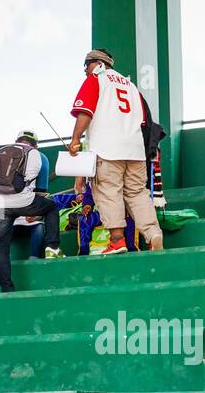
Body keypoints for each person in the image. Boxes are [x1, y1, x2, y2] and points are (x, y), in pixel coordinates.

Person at [67, 48, 164, 254]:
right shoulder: (130, 85)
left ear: (96, 62)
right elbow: (145, 121)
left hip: (108, 148)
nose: (85, 69)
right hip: (135, 150)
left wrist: (75, 138)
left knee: (109, 192)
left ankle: (117, 240)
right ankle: (154, 234)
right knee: (138, 194)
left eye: (86, 64)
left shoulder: (96, 78)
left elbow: (85, 112)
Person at [0, 133, 62, 291]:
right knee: (52, 207)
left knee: (0, 246)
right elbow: (38, 186)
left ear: (16, 141)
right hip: (22, 200)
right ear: (35, 144)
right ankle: (52, 247)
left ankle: (6, 288)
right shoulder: (36, 154)